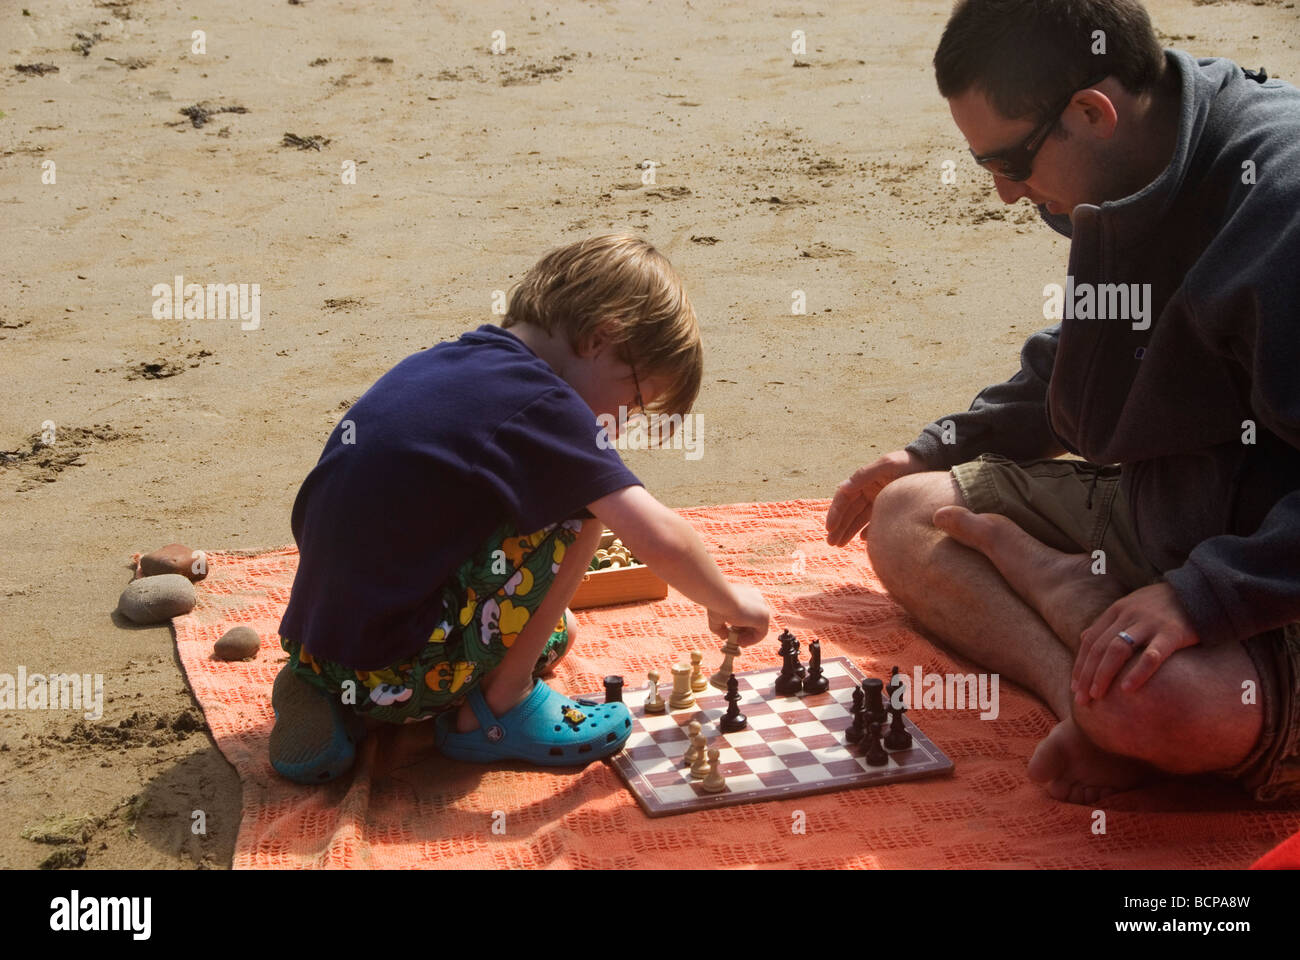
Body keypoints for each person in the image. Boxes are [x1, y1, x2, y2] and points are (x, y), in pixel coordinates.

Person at [828, 0, 1300, 804]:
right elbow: (1091, 357)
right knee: (906, 511)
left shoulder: (1279, 206)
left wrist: (1207, 595)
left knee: (1166, 705)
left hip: (1273, 558)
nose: (1008, 195)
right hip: (1173, 503)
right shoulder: (1138, 159)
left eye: (1009, 163)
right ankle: (1077, 677)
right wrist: (939, 446)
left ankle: (1109, 681)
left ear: (1091, 112)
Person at [271, 234, 770, 783]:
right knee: (588, 502)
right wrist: (729, 600)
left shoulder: (449, 359)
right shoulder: (547, 405)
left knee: (562, 626)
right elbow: (660, 538)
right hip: (405, 669)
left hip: (317, 638)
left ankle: (324, 690)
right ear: (602, 338)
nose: (624, 421)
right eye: (632, 399)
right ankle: (498, 709)